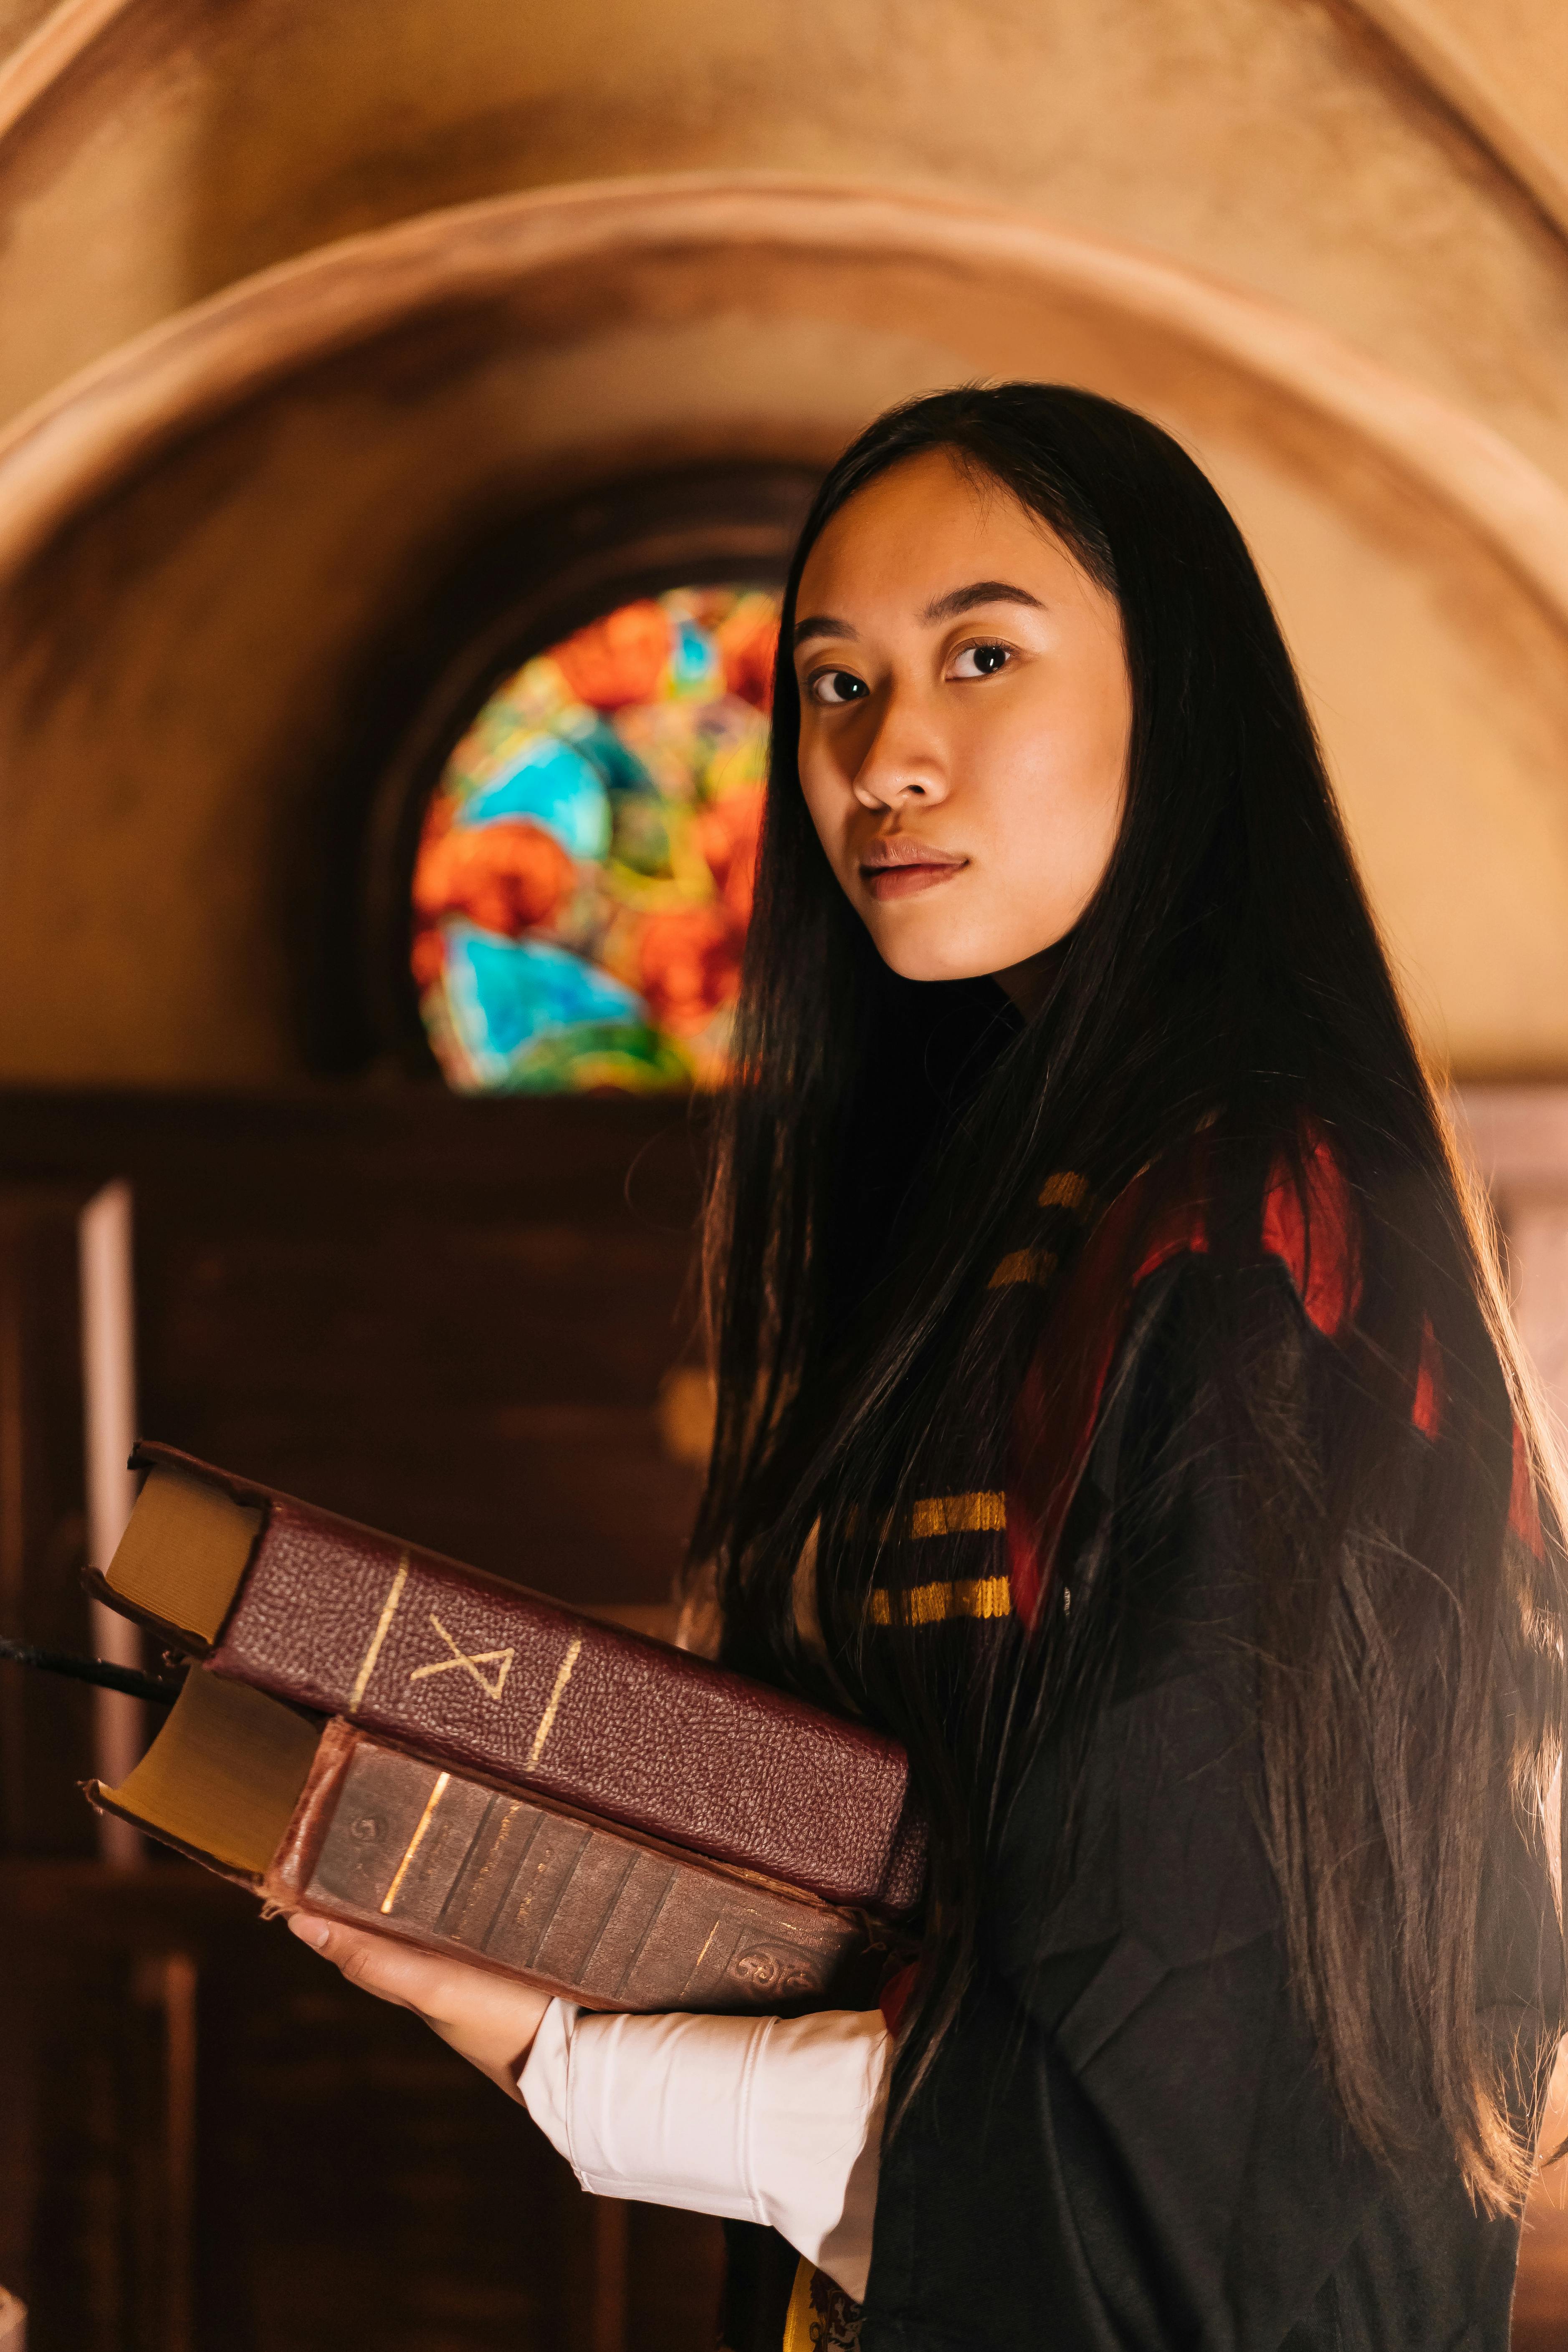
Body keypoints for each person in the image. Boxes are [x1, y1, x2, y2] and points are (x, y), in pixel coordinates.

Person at [288, 385, 1568, 2350]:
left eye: (982, 657)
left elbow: (1193, 2089)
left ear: (1180, 700)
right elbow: (904, 1839)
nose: (884, 756)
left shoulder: (1262, 1215)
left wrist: (569, 2050)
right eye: (834, 683)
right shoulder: (1001, 1197)